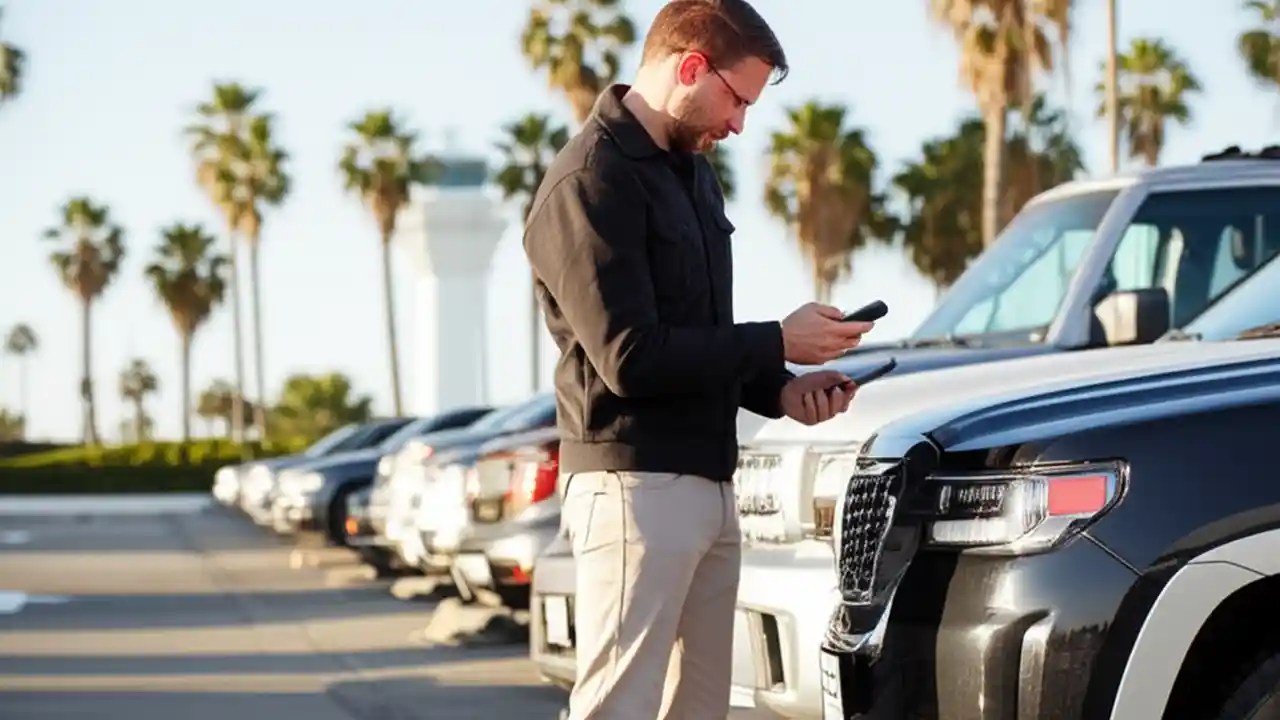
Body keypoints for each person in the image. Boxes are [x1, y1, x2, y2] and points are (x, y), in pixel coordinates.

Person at [522, 1, 875, 717]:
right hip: (635, 493)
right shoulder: (590, 180)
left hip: (711, 486)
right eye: (736, 99)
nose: (739, 123)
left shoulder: (693, 172)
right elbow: (631, 356)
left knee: (702, 707)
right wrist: (776, 339)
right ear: (690, 67)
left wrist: (781, 390)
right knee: (618, 705)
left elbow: (701, 333)